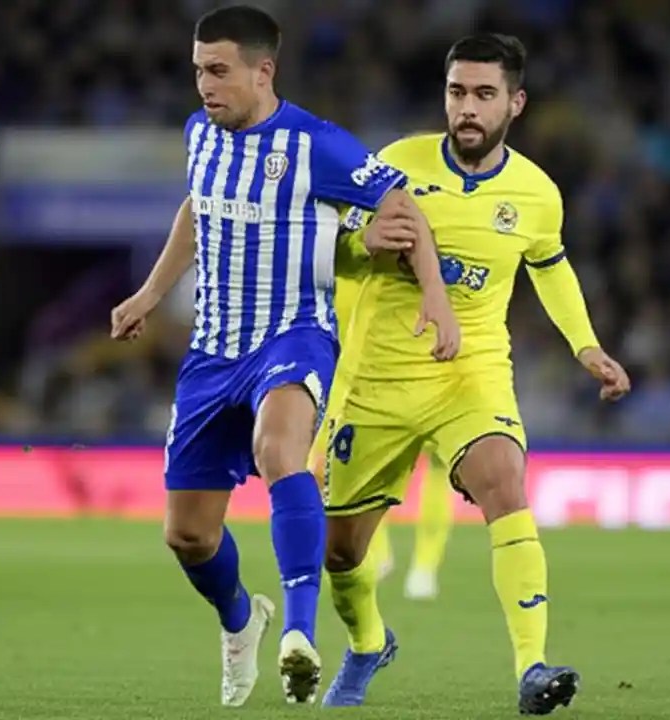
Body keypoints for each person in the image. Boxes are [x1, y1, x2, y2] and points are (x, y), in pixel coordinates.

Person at [109, 5, 459, 707]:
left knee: (280, 450)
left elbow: (403, 209)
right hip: (213, 350)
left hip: (293, 333)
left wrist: (436, 296)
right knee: (188, 537)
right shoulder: (198, 134)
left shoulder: (316, 145)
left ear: (262, 71)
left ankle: (300, 634)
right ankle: (244, 621)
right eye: (198, 71)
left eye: (219, 71)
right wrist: (150, 292)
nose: (204, 85)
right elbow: (197, 209)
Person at [318, 34, 632, 715]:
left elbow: (550, 266)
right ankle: (370, 643)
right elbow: (336, 247)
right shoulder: (395, 166)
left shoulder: (537, 193)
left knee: (504, 482)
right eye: (457, 92)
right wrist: (359, 242)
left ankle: (532, 666)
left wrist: (586, 346)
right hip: (375, 381)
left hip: (472, 372)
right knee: (340, 556)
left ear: (515, 103)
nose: (467, 107)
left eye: (484, 94)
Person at [309, 281, 456, 603]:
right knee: (328, 467)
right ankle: (379, 550)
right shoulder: (343, 256)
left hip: (422, 363)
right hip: (353, 373)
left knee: (438, 464)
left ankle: (425, 567)